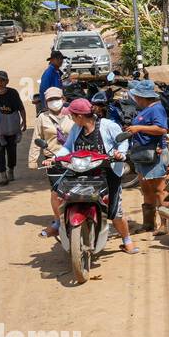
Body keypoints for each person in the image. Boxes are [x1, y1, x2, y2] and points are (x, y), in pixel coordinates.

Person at [52, 98, 137, 254]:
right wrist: (56, 157)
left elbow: (122, 141)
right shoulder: (76, 129)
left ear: (79, 116)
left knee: (115, 212)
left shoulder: (108, 125)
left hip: (106, 173)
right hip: (80, 172)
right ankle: (60, 224)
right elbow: (67, 147)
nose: (70, 118)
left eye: (71, 115)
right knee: (60, 195)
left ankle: (127, 240)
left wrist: (120, 153)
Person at [123, 79, 169, 233]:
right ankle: (148, 224)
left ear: (143, 97)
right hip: (142, 154)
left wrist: (139, 128)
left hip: (154, 154)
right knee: (147, 190)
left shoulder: (156, 109)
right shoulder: (144, 109)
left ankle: (165, 224)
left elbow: (162, 129)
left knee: (159, 190)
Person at [30, 86, 69, 236]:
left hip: (74, 158)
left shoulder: (72, 114)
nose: (54, 102)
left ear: (63, 99)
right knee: (56, 192)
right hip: (51, 159)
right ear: (46, 103)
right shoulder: (42, 118)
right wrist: (33, 160)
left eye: (56, 99)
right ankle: (57, 221)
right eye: (50, 100)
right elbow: (36, 139)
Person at [0, 70, 26, 185]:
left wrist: (24, 122)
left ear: (7, 81)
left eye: (2, 80)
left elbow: (21, 108)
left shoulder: (13, 93)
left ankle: (11, 170)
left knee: (11, 150)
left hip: (11, 127)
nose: (0, 83)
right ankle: (3, 176)